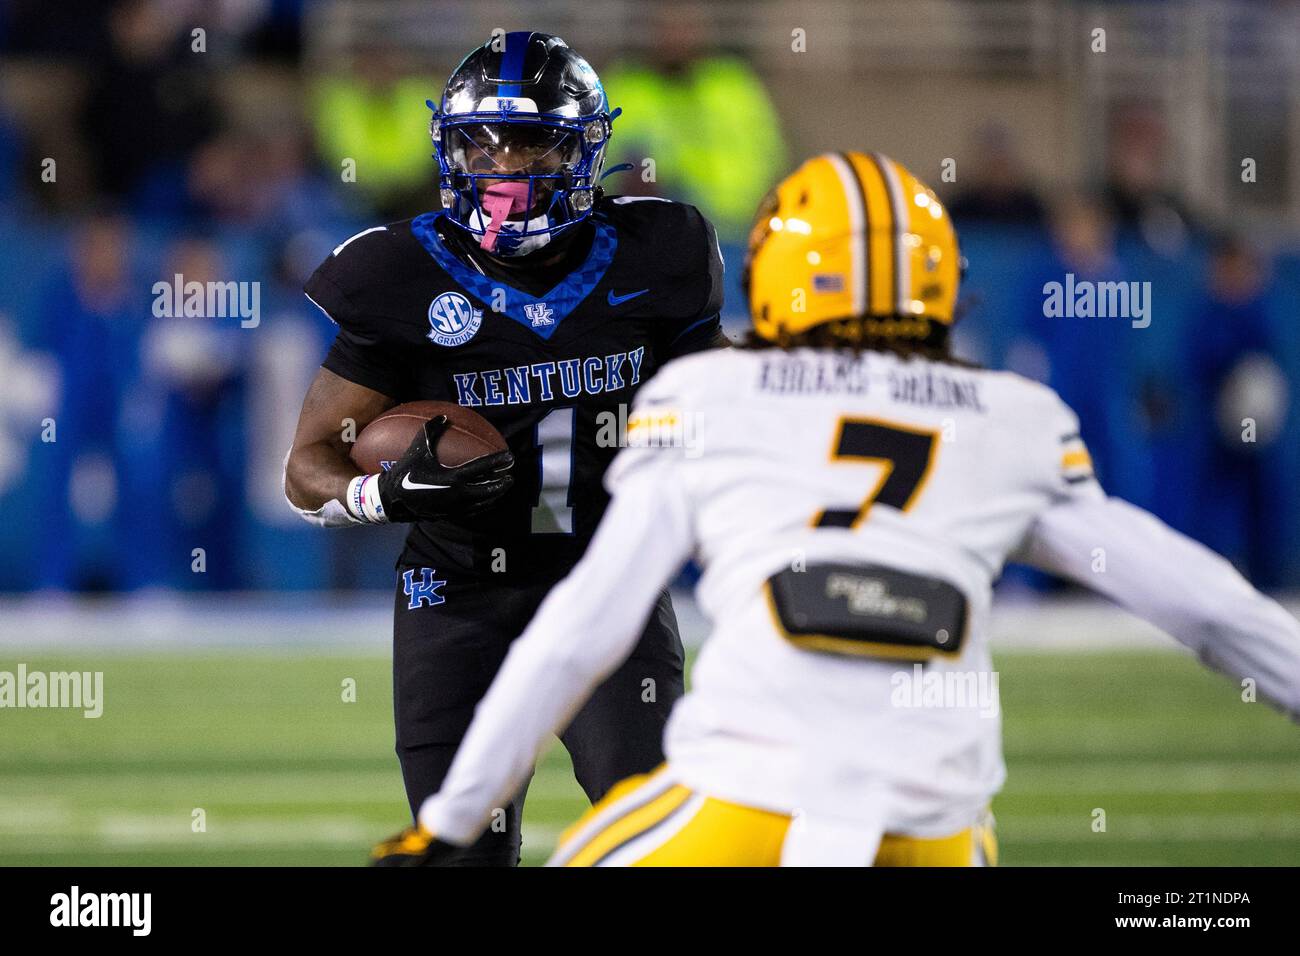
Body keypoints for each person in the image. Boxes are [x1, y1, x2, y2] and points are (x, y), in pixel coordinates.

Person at [372, 152, 1300, 867]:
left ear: (781, 273)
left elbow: (581, 627)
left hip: (746, 798)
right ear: (938, 277)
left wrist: (453, 820)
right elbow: (1209, 606)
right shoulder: (1010, 417)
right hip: (933, 821)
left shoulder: (712, 397)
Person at [284, 32, 727, 866]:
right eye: (480, 142)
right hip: (453, 592)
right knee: (462, 851)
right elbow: (307, 468)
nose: (502, 165)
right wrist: (384, 496)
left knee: (667, 843)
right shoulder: (398, 275)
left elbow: (721, 407)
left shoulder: (658, 254)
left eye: (528, 141)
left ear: (585, 148)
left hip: (609, 581)